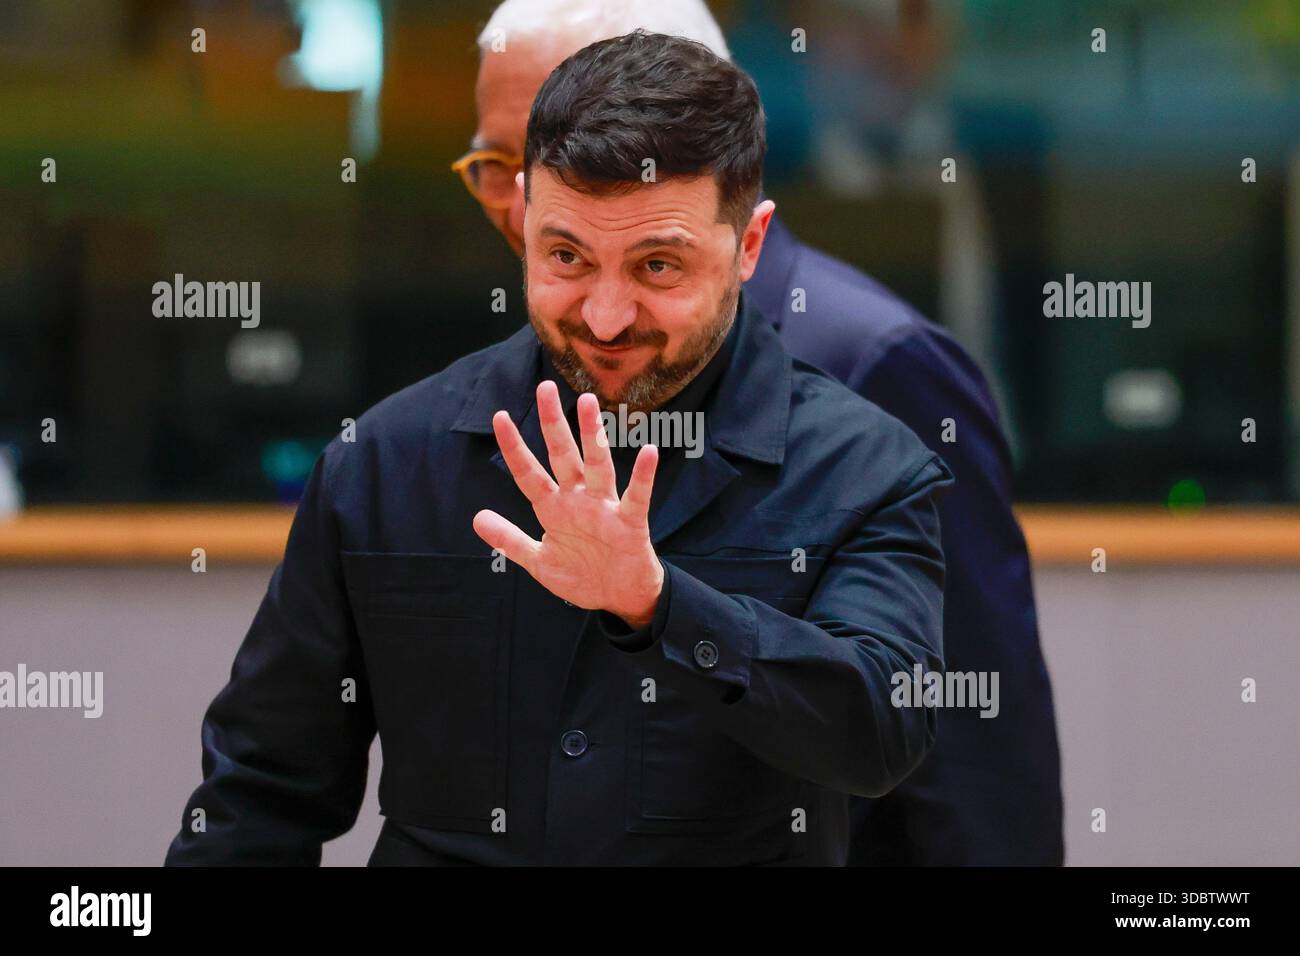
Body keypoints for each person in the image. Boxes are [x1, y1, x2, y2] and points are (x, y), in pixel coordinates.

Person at [165, 30, 952, 866]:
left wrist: (660, 607)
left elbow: (883, 728)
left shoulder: (868, 472)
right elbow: (260, 793)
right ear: (524, 221)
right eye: (568, 257)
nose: (606, 318)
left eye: (656, 266)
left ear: (749, 246)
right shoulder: (386, 461)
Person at [457, 0, 1063, 865]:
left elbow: (972, 746)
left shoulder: (875, 361)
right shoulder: (519, 366)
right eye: (499, 166)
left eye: (590, 143)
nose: (528, 204)